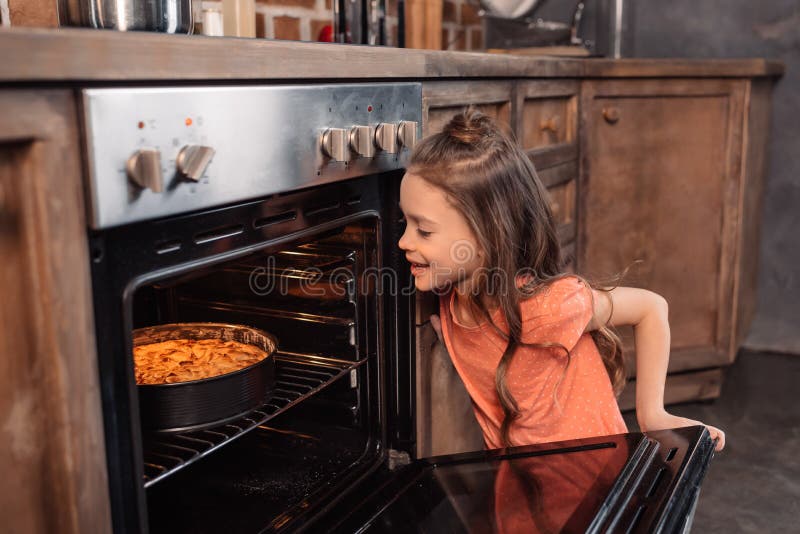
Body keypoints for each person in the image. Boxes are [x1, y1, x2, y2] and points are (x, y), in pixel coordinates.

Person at [397, 109, 725, 452]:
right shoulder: (452, 294)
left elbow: (651, 308)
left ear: (487, 238)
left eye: (424, 230)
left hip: (594, 482)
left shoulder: (546, 306)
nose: (404, 241)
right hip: (524, 484)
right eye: (404, 222)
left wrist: (653, 415)